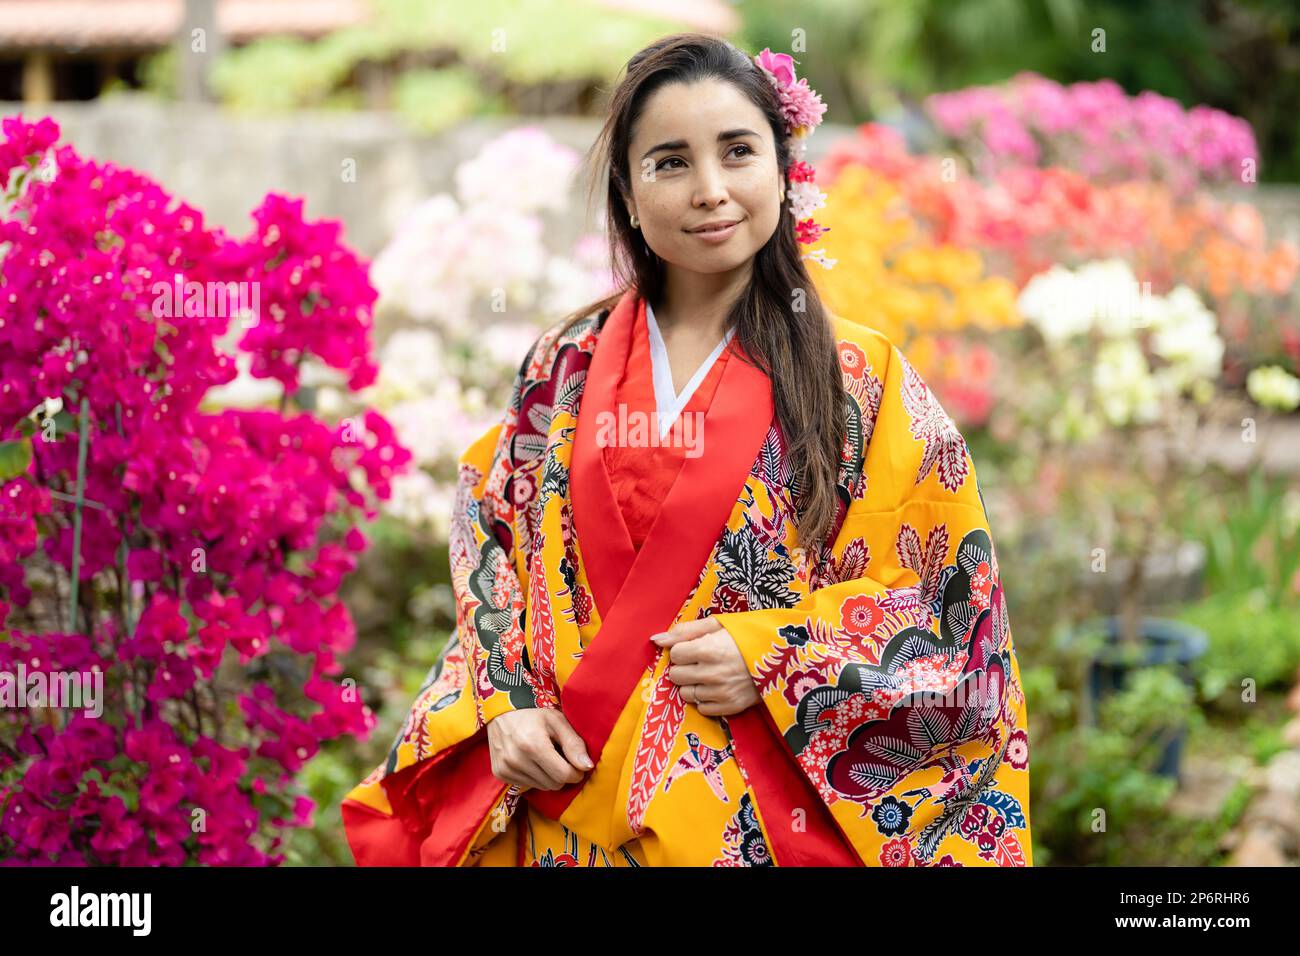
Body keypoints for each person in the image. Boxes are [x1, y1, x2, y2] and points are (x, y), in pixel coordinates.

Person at [341, 33, 1032, 867]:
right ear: (628, 196)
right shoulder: (563, 363)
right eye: (670, 162)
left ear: (784, 169)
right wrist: (506, 704)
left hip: (752, 826)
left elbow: (954, 619)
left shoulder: (860, 378)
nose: (711, 189)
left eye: (738, 152)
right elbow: (490, 534)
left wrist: (776, 658)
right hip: (564, 810)